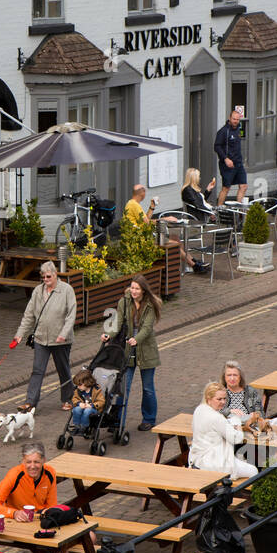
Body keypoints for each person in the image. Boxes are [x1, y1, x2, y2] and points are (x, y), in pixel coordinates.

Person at [10, 260, 76, 412]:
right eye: (43, 277)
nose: (45, 280)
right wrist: (19, 334)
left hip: (61, 340)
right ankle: (30, 402)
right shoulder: (38, 291)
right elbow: (29, 315)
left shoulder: (67, 290)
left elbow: (71, 316)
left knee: (63, 369)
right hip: (41, 339)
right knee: (37, 370)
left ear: (55, 274)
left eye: (48, 277)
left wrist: (63, 334)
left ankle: (68, 399)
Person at [115, 275, 161, 431]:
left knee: (148, 388)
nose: (134, 291)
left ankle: (149, 419)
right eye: (132, 288)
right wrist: (108, 334)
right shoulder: (124, 302)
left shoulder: (150, 305)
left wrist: (136, 339)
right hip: (128, 349)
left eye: (137, 288)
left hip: (146, 349)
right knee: (123, 387)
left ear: (143, 290)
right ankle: (118, 421)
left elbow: (147, 328)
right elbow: (118, 323)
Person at [124, 183, 203, 274]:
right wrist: (165, 219)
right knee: (175, 244)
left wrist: (152, 206)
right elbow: (147, 223)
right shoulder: (134, 205)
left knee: (175, 238)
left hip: (143, 235)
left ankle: (192, 260)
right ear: (142, 193)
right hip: (141, 239)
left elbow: (145, 220)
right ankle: (194, 265)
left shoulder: (132, 204)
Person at [189, 382, 252, 477]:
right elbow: (236, 439)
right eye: (219, 399)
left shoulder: (199, 410)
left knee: (241, 461)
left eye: (224, 398)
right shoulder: (217, 418)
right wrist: (237, 423)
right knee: (253, 472)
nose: (223, 402)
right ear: (209, 399)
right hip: (214, 462)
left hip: (196, 459)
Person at [0, 443, 58, 520]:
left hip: (40, 518)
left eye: (36, 462)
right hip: (17, 520)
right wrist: (14, 513)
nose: (32, 466)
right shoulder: (14, 475)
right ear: (23, 461)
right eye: (28, 462)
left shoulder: (50, 473)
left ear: (43, 460)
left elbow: (52, 506)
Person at [220, 360, 270, 433]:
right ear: (224, 377)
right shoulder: (219, 392)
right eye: (229, 375)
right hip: (227, 428)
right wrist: (229, 411)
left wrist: (255, 415)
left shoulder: (250, 391)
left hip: (248, 428)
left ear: (240, 377)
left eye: (235, 375)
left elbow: (261, 413)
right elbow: (213, 412)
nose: (232, 378)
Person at [214, 109, 248, 205]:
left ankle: (238, 208)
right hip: (227, 164)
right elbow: (217, 146)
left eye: (237, 119)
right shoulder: (223, 131)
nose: (236, 121)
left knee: (243, 186)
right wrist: (225, 158)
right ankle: (219, 208)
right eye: (234, 119)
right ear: (229, 118)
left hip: (238, 163)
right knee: (226, 188)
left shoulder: (238, 129)